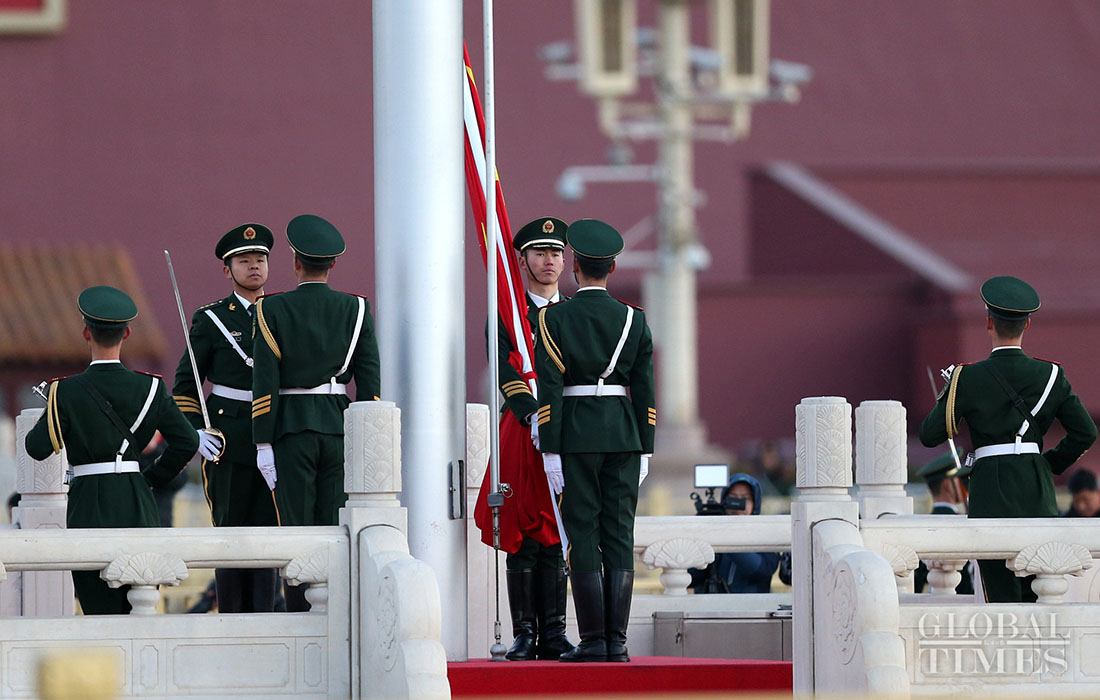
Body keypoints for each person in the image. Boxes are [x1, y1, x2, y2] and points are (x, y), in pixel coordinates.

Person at [24, 286, 203, 614]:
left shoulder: (65, 391)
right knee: (141, 605)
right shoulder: (151, 387)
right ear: (128, 333)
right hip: (137, 500)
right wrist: (151, 477)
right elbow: (188, 441)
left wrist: (58, 410)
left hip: (88, 502)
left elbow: (36, 449)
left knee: (98, 610)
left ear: (85, 333)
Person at [919, 276, 1096, 602]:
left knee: (999, 598)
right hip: (1036, 488)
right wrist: (1047, 464)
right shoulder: (1051, 375)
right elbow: (1086, 432)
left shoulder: (967, 377)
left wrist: (950, 394)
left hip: (989, 491)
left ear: (988, 321)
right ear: (1027, 324)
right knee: (1041, 593)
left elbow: (929, 435)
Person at [534, 218, 655, 663]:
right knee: (619, 532)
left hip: (576, 434)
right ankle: (618, 644)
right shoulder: (634, 319)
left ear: (575, 268)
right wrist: (647, 446)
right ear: (613, 267)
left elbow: (550, 388)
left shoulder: (553, 318)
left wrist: (550, 448)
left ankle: (592, 641)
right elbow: (645, 390)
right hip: (624, 433)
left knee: (582, 532)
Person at [252, 214, 380, 612]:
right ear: (333, 265)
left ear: (294, 262)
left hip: (290, 426)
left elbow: (265, 383)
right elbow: (370, 378)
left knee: (296, 528)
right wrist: (365, 432)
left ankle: (299, 614)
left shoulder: (270, 310)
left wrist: (262, 441)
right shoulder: (356, 309)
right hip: (338, 423)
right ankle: (335, 610)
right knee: (333, 527)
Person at [173, 223, 280, 613]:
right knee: (231, 534)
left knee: (268, 538)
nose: (254, 267)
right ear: (227, 270)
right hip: (228, 438)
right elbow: (185, 383)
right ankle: (233, 621)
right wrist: (196, 431)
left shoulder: (283, 313)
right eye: (244, 261)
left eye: (261, 260)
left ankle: (266, 623)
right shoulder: (211, 318)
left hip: (275, 435)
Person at [484, 217, 575, 661]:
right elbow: (505, 369)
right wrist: (532, 415)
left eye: (556, 252)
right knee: (521, 529)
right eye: (539, 253)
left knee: (557, 529)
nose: (549, 261)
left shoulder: (576, 312)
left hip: (568, 431)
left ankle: (555, 633)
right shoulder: (507, 314)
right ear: (521, 261)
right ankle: (524, 633)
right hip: (522, 431)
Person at [689, 473, 779, 594]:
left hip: (751, 609)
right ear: (724, 501)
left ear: (755, 503)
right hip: (709, 609)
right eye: (733, 497)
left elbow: (762, 570)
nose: (738, 503)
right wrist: (703, 535)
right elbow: (691, 578)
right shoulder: (711, 530)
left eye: (745, 498)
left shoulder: (764, 533)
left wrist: (724, 536)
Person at [912, 452, 974, 595]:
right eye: (959, 481)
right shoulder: (961, 524)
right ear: (947, 484)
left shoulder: (921, 527)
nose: (963, 486)